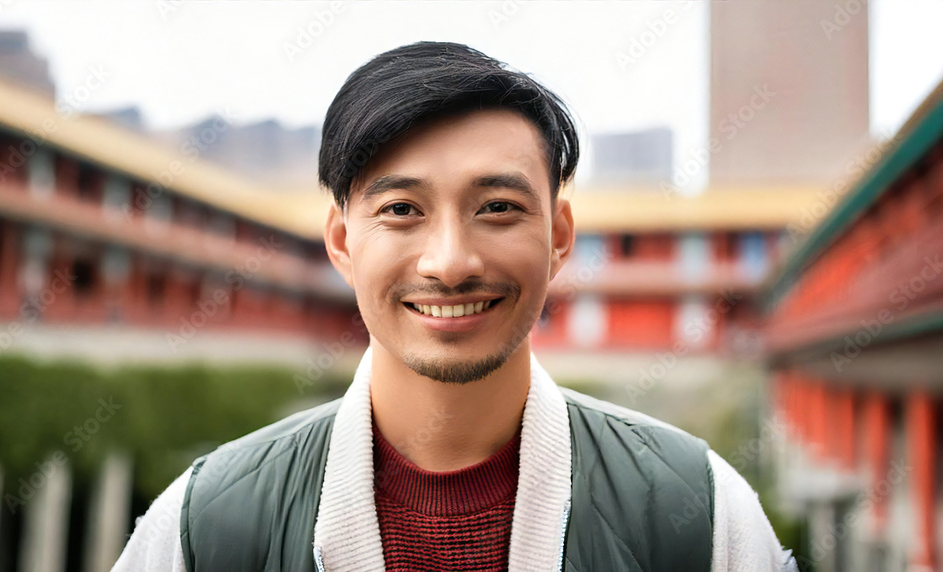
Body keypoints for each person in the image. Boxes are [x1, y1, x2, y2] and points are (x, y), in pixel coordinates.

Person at [112, 41, 798, 572]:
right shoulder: (206, 525)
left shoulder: (698, 510)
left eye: (497, 208)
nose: (449, 263)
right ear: (342, 242)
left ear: (559, 237)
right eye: (401, 209)